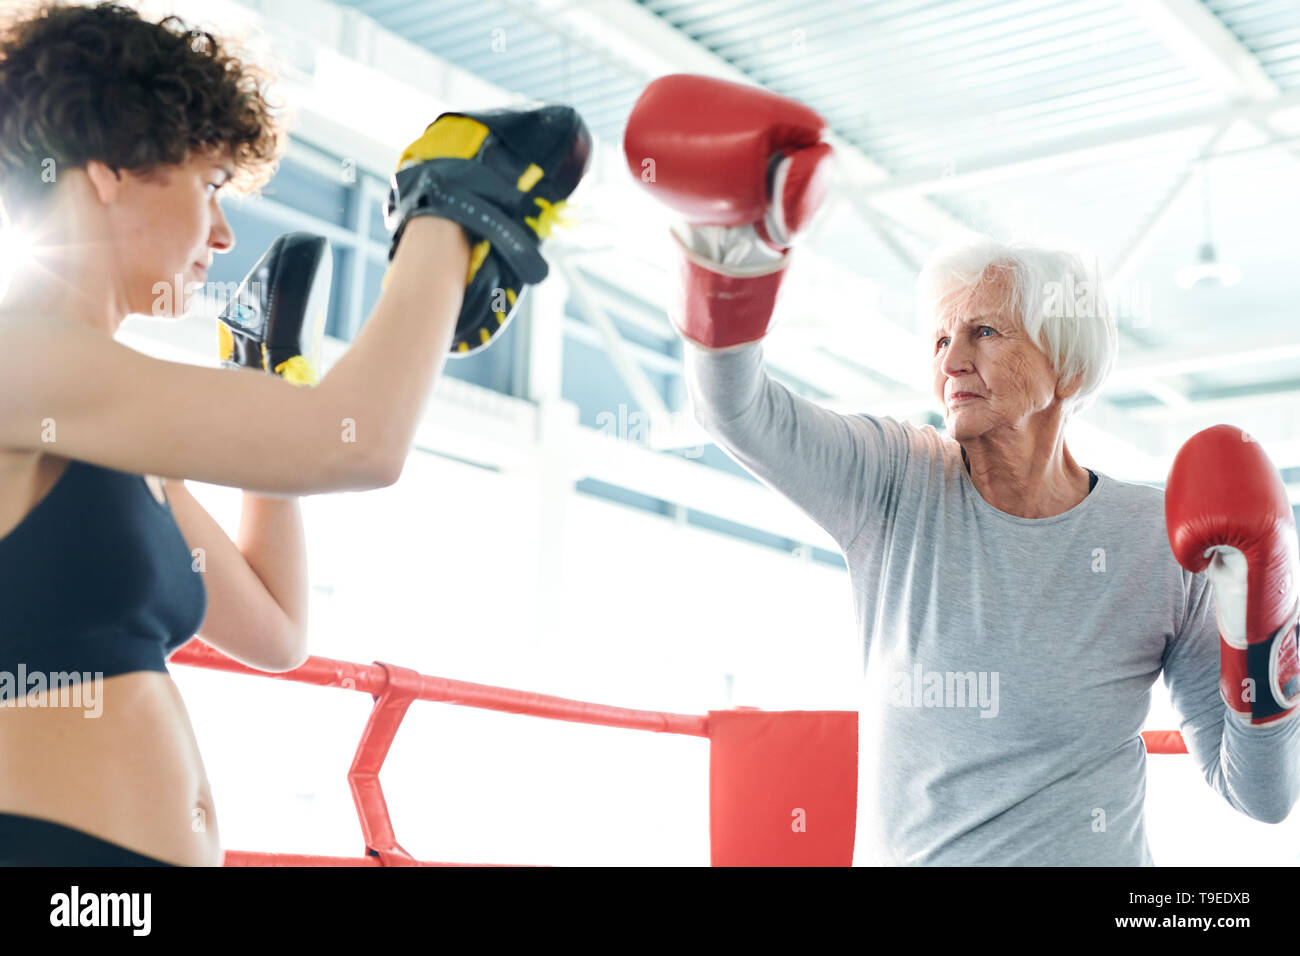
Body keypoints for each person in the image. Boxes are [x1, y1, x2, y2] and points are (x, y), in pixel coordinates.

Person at [624, 73, 1300, 864]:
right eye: (941, 341)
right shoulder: (895, 483)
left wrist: (1259, 627)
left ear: (1067, 370)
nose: (954, 360)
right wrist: (731, 261)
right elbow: (736, 413)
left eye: (985, 332)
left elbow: (1261, 799)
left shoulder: (1157, 541)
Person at [0, 1, 587, 865]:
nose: (225, 232)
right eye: (209, 186)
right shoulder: (23, 363)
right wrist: (448, 212)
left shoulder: (107, 412)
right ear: (112, 166)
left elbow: (276, 630)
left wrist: (259, 379)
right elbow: (355, 444)